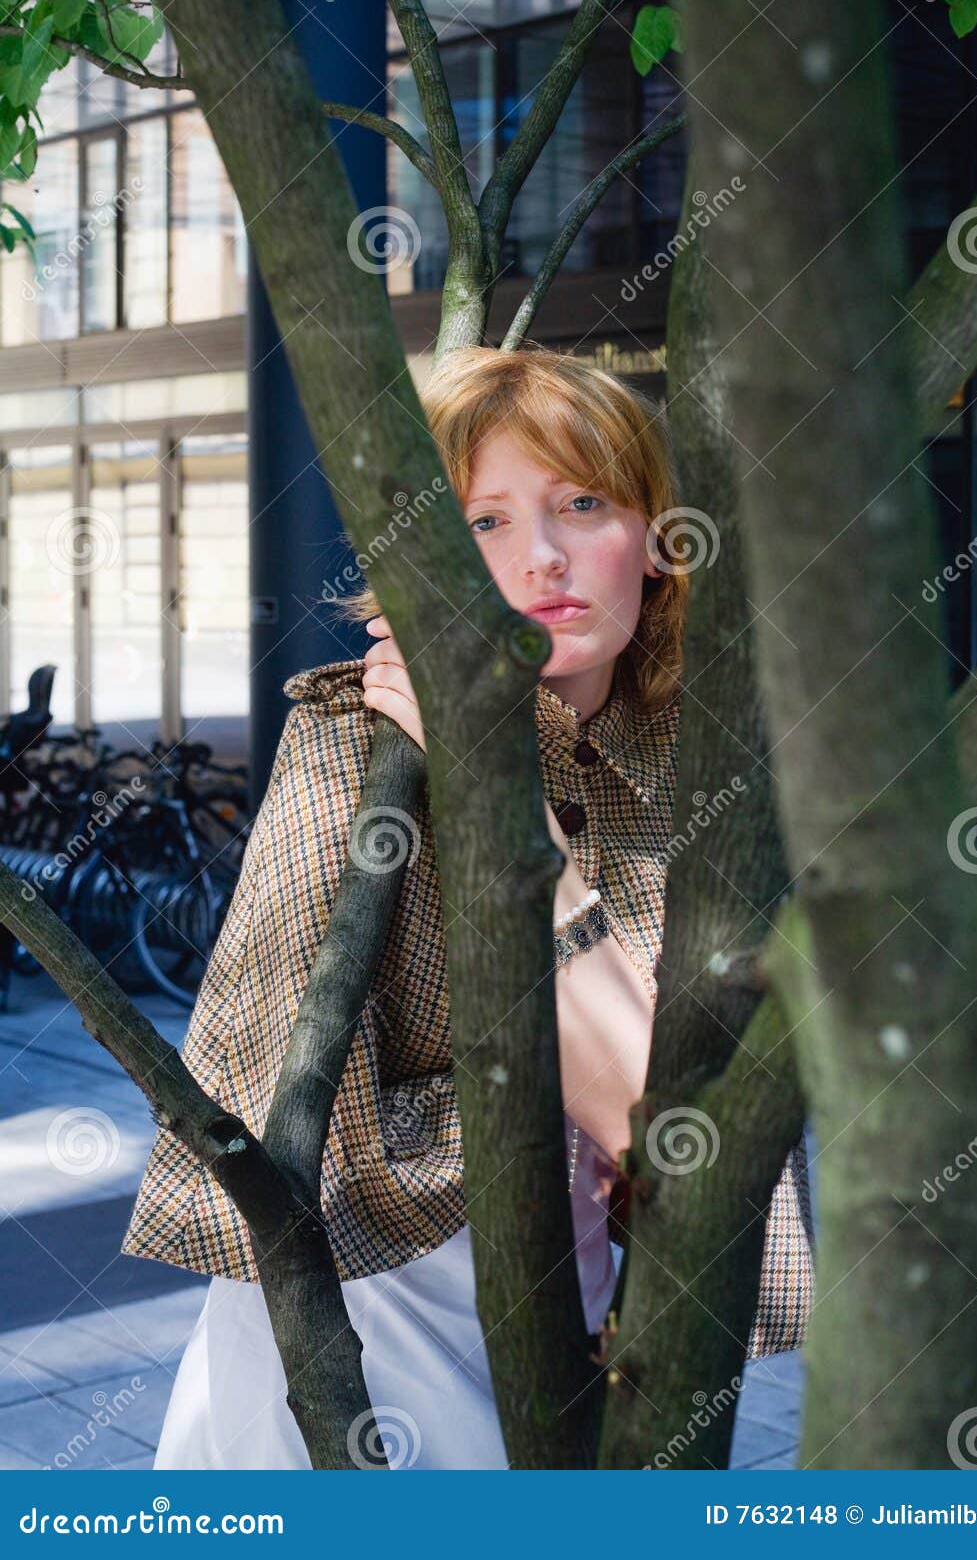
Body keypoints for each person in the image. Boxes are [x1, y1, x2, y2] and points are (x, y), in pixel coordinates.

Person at [121, 344, 814, 1469]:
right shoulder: (358, 750)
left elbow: (691, 1144)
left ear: (653, 535)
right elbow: (289, 1136)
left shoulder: (692, 770)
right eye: (482, 522)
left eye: (581, 502)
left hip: (585, 1341)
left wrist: (510, 818)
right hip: (361, 1343)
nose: (541, 557)